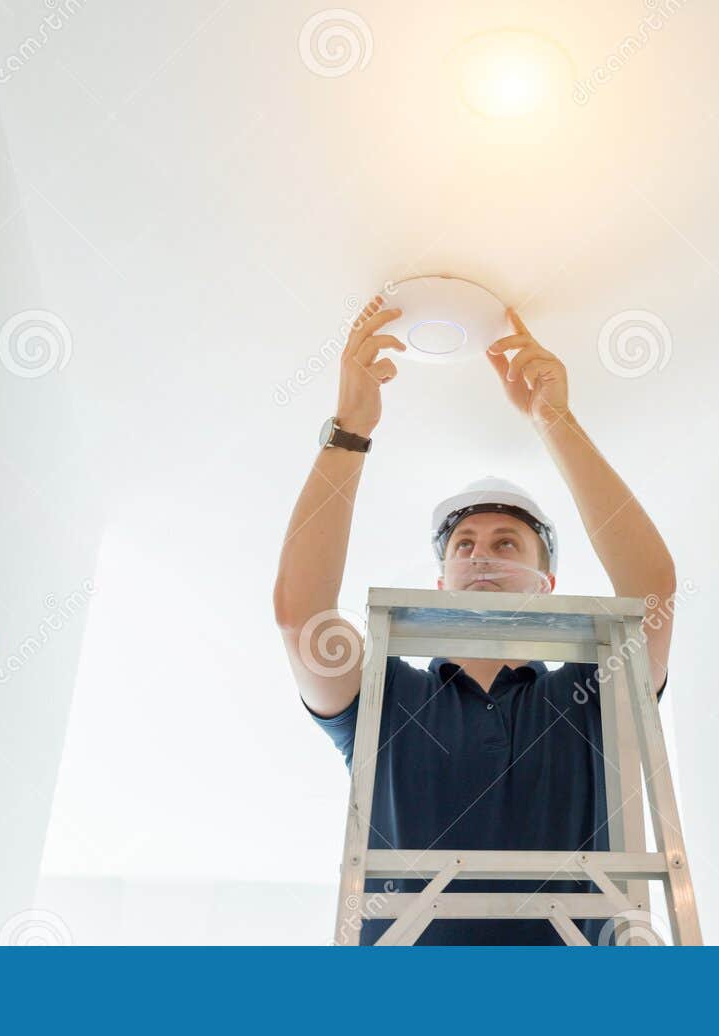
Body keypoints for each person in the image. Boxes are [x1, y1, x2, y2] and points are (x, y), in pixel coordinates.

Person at [273, 295, 677, 944]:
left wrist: (555, 420)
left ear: (548, 587)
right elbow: (302, 621)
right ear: (442, 582)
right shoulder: (390, 698)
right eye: (466, 546)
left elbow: (650, 594)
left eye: (506, 544)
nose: (481, 555)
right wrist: (351, 426)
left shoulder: (586, 696)